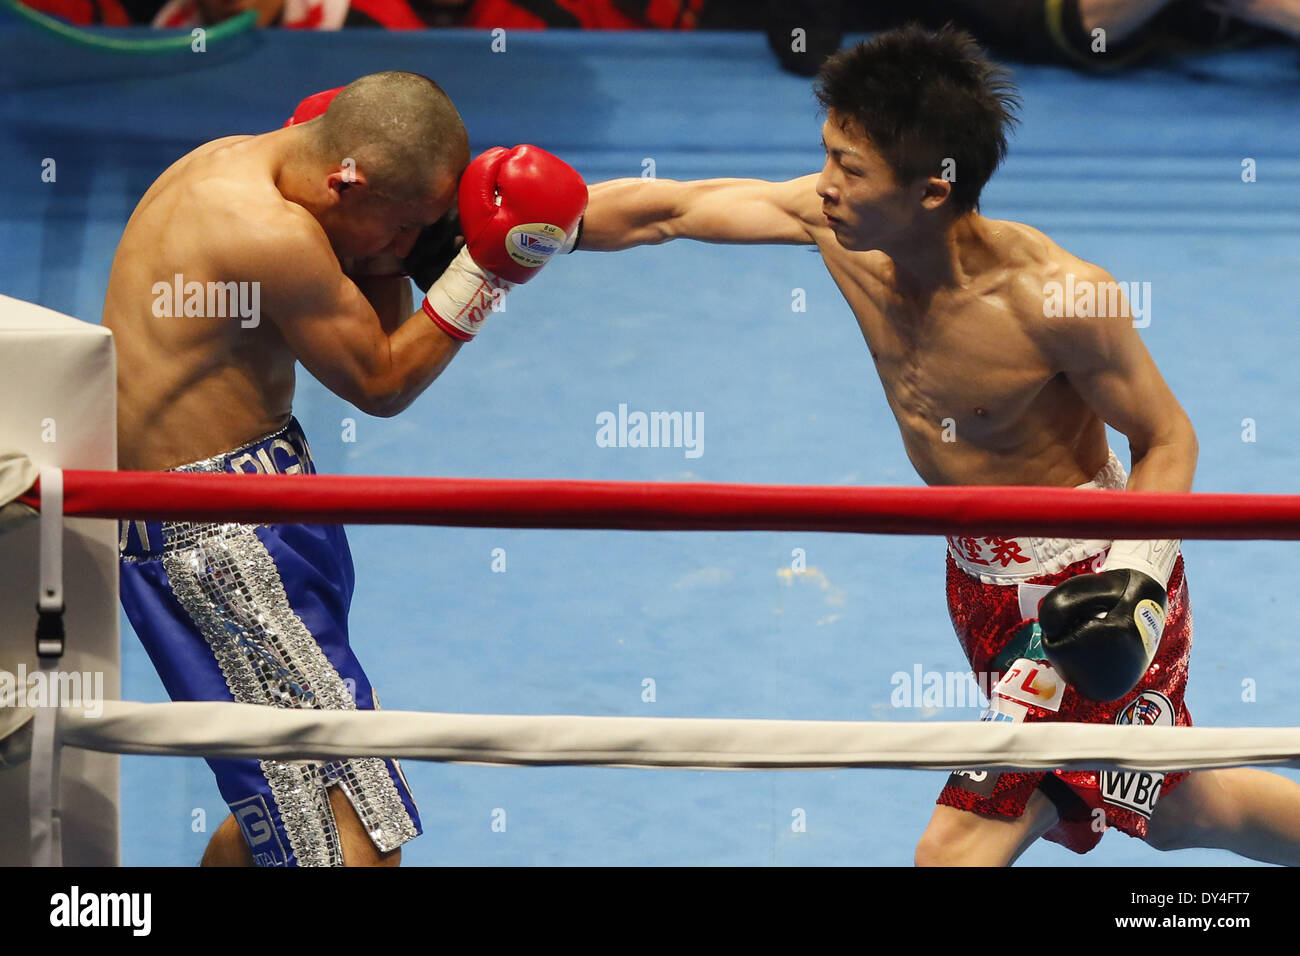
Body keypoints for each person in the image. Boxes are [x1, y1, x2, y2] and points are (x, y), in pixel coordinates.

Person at [576, 25, 1300, 865]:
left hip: (1086, 588)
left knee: (954, 850)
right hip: (977, 577)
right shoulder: (837, 229)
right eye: (828, 156)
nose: (826, 186)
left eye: (851, 169)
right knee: (1182, 810)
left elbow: (1167, 437)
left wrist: (1129, 587)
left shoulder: (1059, 300)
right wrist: (516, 227)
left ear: (929, 191)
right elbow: (672, 209)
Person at [103, 71, 587, 866]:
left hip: (267, 511)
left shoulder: (238, 161)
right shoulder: (269, 232)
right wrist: (485, 273)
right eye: (403, 227)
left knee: (284, 813)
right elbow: (382, 381)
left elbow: (373, 295)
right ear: (345, 180)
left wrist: (404, 239)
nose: (407, 249)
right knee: (348, 838)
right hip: (224, 551)